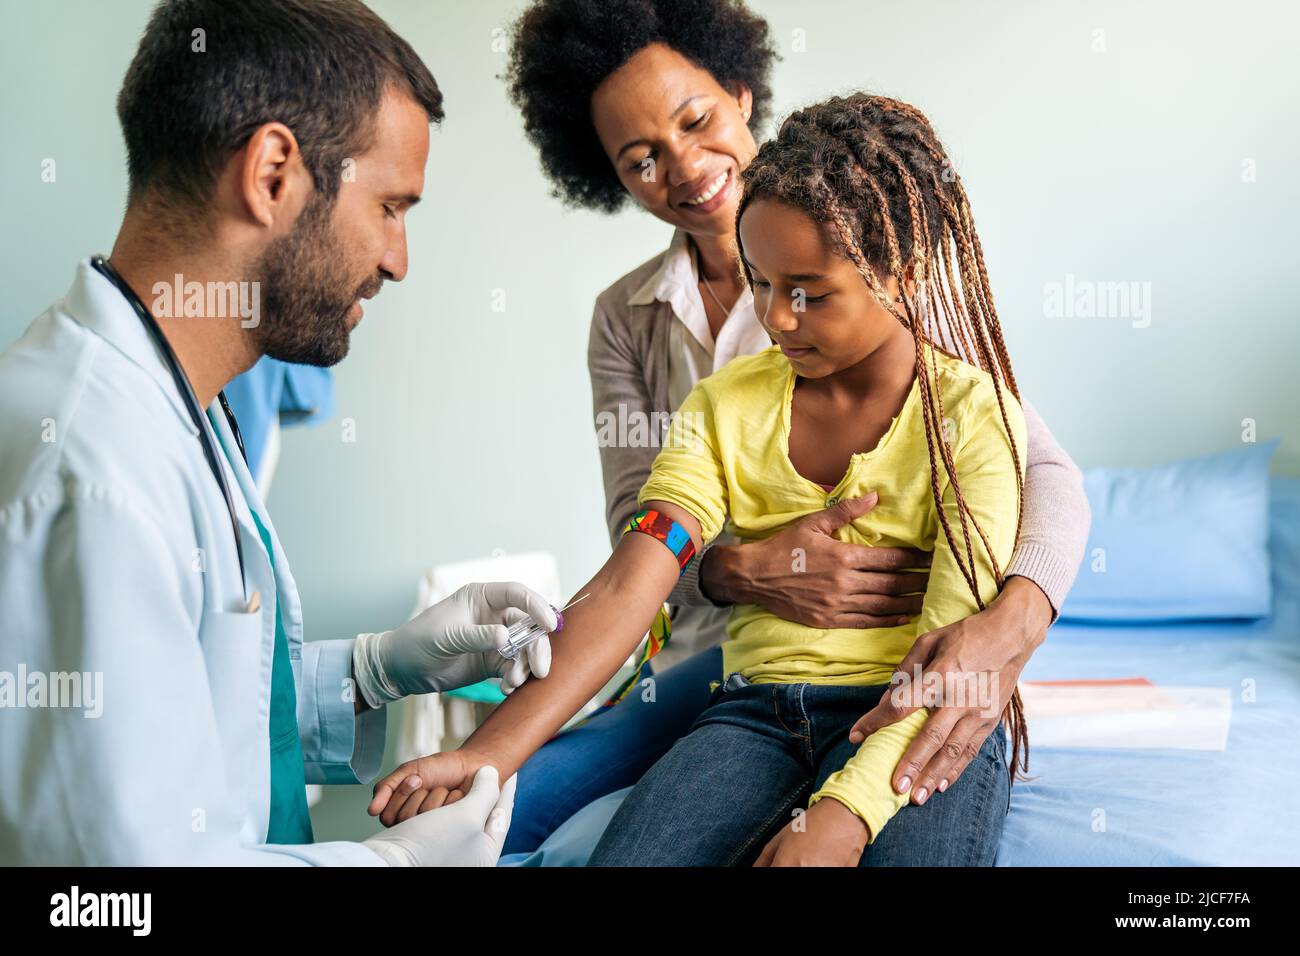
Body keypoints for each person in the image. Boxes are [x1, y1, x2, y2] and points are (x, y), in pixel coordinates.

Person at [368, 91, 1058, 866]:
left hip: (910, 715)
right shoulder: (724, 405)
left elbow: (950, 657)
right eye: (760, 283)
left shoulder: (971, 416)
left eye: (808, 293)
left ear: (903, 270)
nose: (777, 317)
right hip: (756, 713)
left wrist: (845, 815)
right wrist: (485, 758)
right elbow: (634, 581)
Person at [0, 0, 554, 866]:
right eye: (390, 207)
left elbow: (182, 716)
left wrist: (374, 671)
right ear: (271, 175)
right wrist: (390, 865)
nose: (398, 259)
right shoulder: (90, 468)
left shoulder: (176, 404)